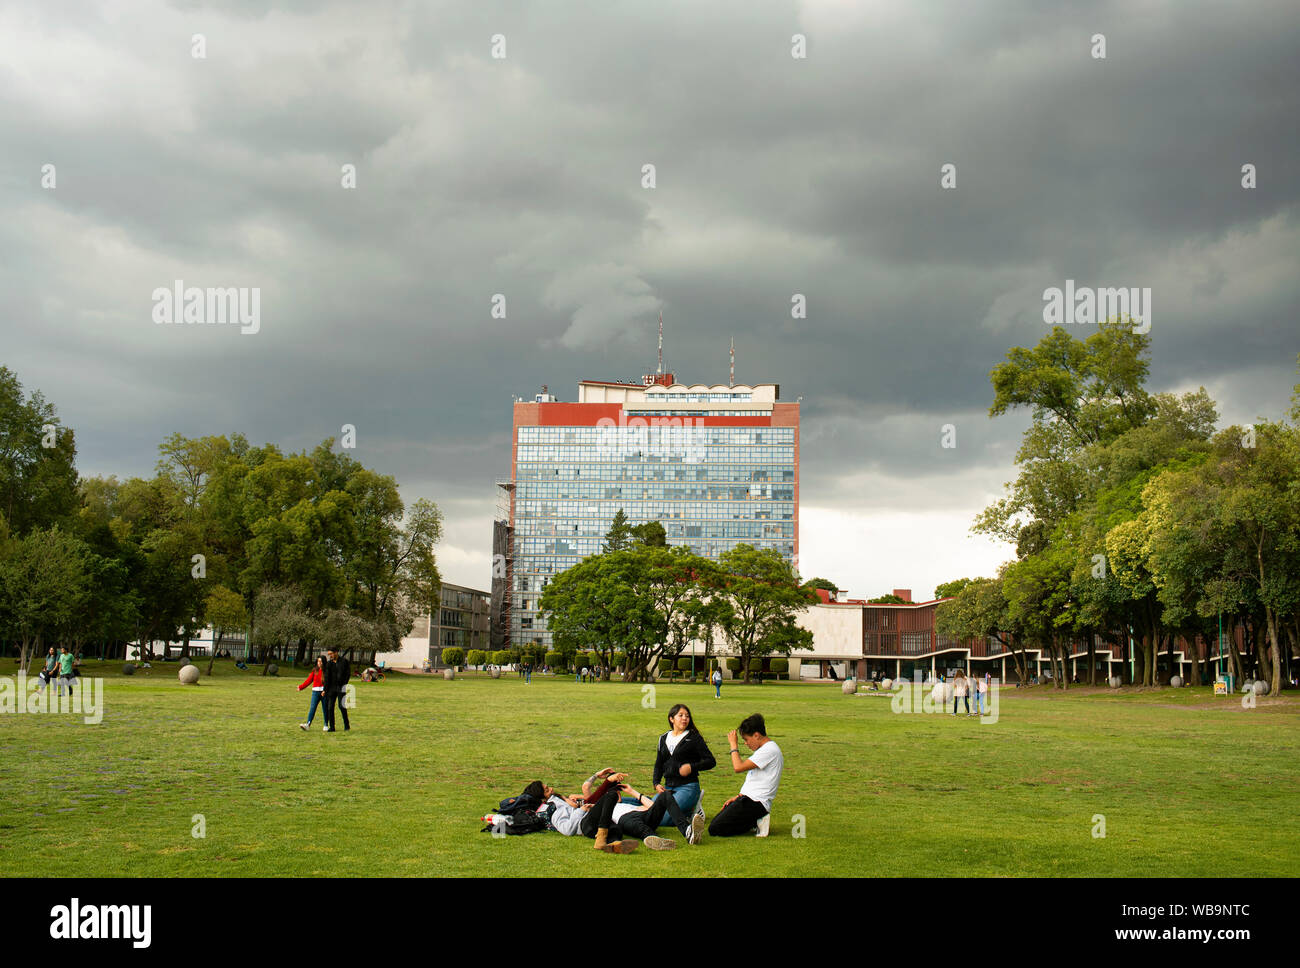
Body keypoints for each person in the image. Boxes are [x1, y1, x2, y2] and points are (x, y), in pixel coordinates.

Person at [709, 713, 783, 838]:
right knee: (717, 822)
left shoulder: (769, 750)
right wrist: (738, 797)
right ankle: (755, 822)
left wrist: (733, 745)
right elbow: (757, 780)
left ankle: (757, 821)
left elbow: (738, 767)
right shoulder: (766, 749)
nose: (746, 743)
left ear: (756, 735)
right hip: (750, 799)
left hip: (757, 803)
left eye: (746, 739)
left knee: (715, 828)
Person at [652, 703, 715, 827]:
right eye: (680, 715)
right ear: (671, 719)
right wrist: (656, 783)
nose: (684, 718)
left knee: (664, 820)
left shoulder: (694, 738)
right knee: (652, 813)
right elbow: (659, 764)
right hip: (668, 788)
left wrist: (692, 767)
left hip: (688, 787)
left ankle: (690, 811)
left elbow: (711, 761)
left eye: (687, 716)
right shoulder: (663, 738)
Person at [322, 648, 351, 732]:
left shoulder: (344, 662)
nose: (330, 656)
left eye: (331, 654)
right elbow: (327, 677)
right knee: (330, 707)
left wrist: (344, 683)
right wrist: (325, 689)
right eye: (329, 654)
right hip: (331, 688)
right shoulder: (329, 664)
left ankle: (346, 725)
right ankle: (332, 727)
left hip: (341, 688)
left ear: (336, 652)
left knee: (341, 706)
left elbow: (347, 673)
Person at [297, 656, 326, 730]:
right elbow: (308, 680)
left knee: (325, 709)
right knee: (312, 708)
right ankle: (308, 724)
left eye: (321, 661)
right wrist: (301, 687)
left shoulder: (327, 671)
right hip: (315, 692)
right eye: (318, 661)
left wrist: (325, 690)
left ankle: (326, 724)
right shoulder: (315, 671)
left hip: (324, 692)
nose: (319, 663)